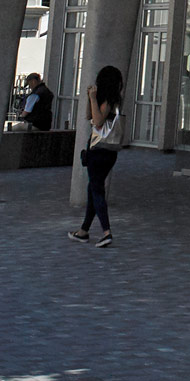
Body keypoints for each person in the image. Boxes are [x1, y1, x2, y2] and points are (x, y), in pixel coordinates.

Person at [69, 66, 126, 248]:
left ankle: (106, 232)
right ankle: (84, 231)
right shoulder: (115, 99)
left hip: (99, 151)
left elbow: (99, 122)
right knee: (92, 189)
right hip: (109, 152)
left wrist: (93, 98)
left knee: (97, 191)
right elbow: (89, 116)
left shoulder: (108, 100)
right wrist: (89, 98)